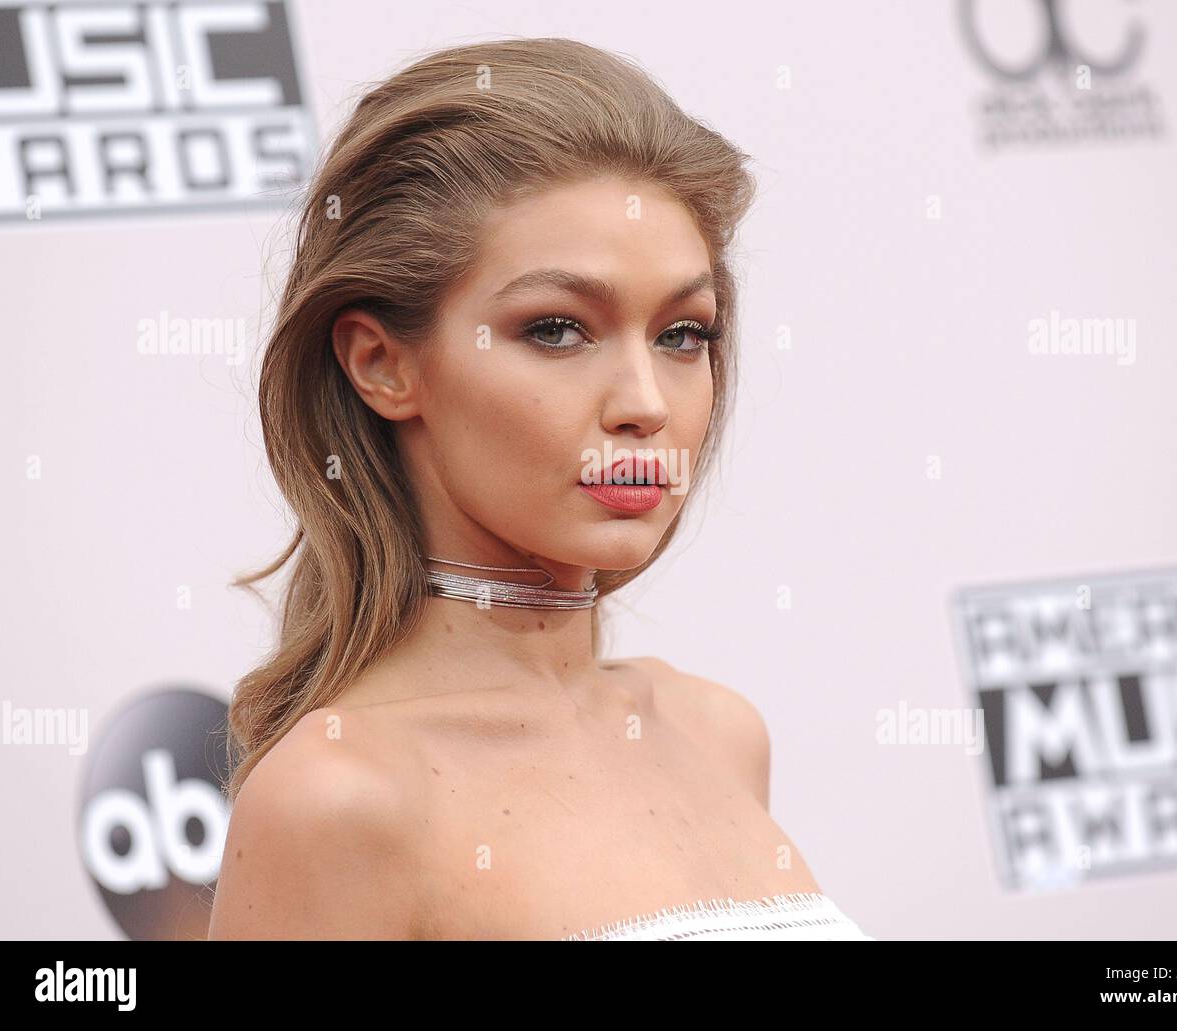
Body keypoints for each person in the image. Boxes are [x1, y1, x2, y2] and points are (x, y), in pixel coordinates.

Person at [206, 36, 872, 940]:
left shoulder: (717, 731)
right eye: (558, 329)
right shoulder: (338, 798)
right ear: (381, 362)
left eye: (683, 333)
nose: (644, 404)